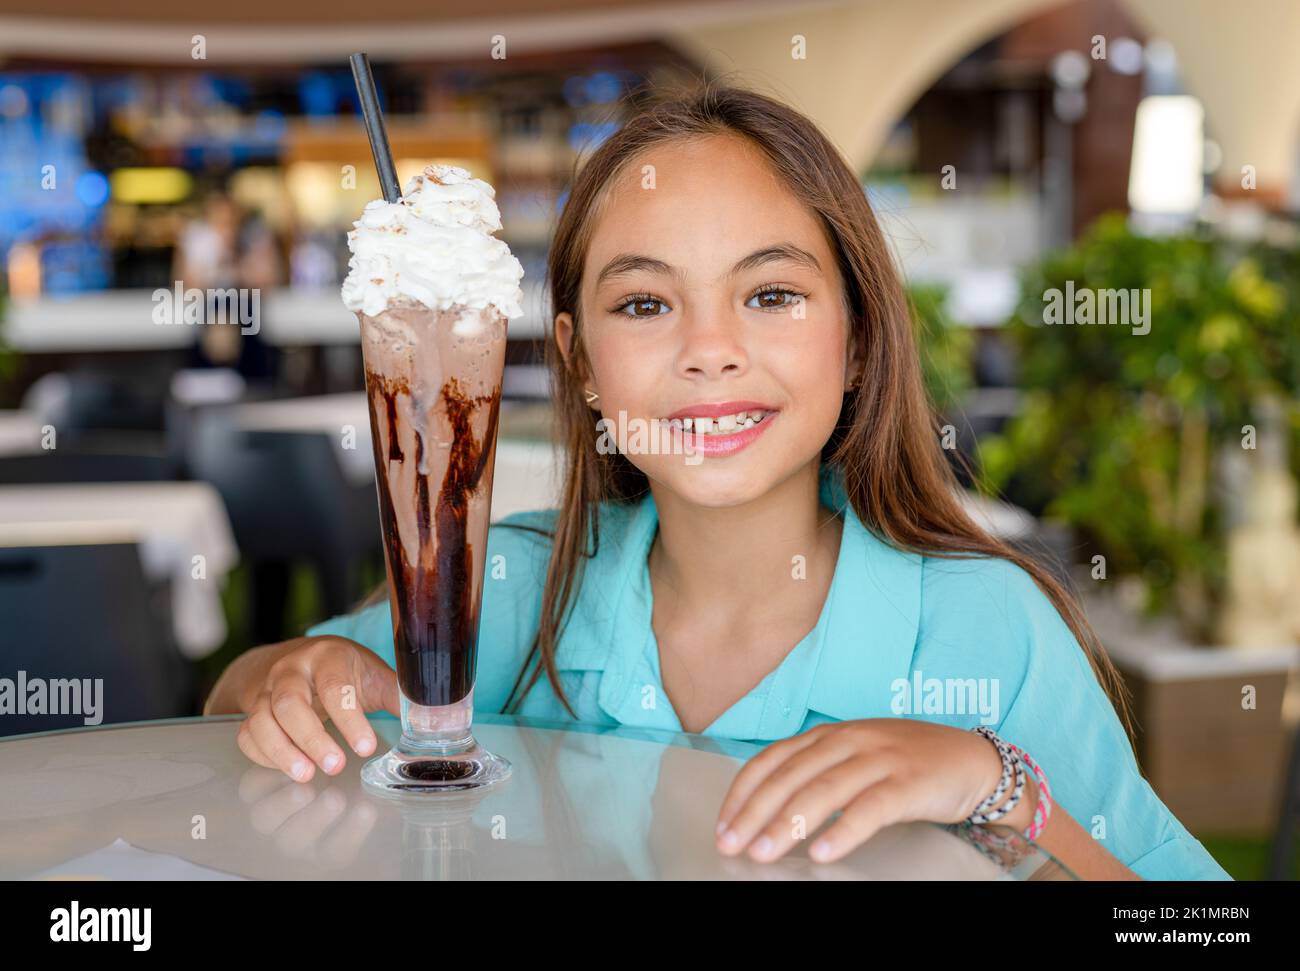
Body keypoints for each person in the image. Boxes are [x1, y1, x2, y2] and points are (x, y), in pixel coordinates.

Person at [206, 82, 1229, 880]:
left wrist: (994, 785)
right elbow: (238, 698)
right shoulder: (514, 592)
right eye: (646, 305)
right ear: (578, 361)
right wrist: (286, 679)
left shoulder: (981, 629)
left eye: (771, 292)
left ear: (860, 337)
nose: (709, 349)